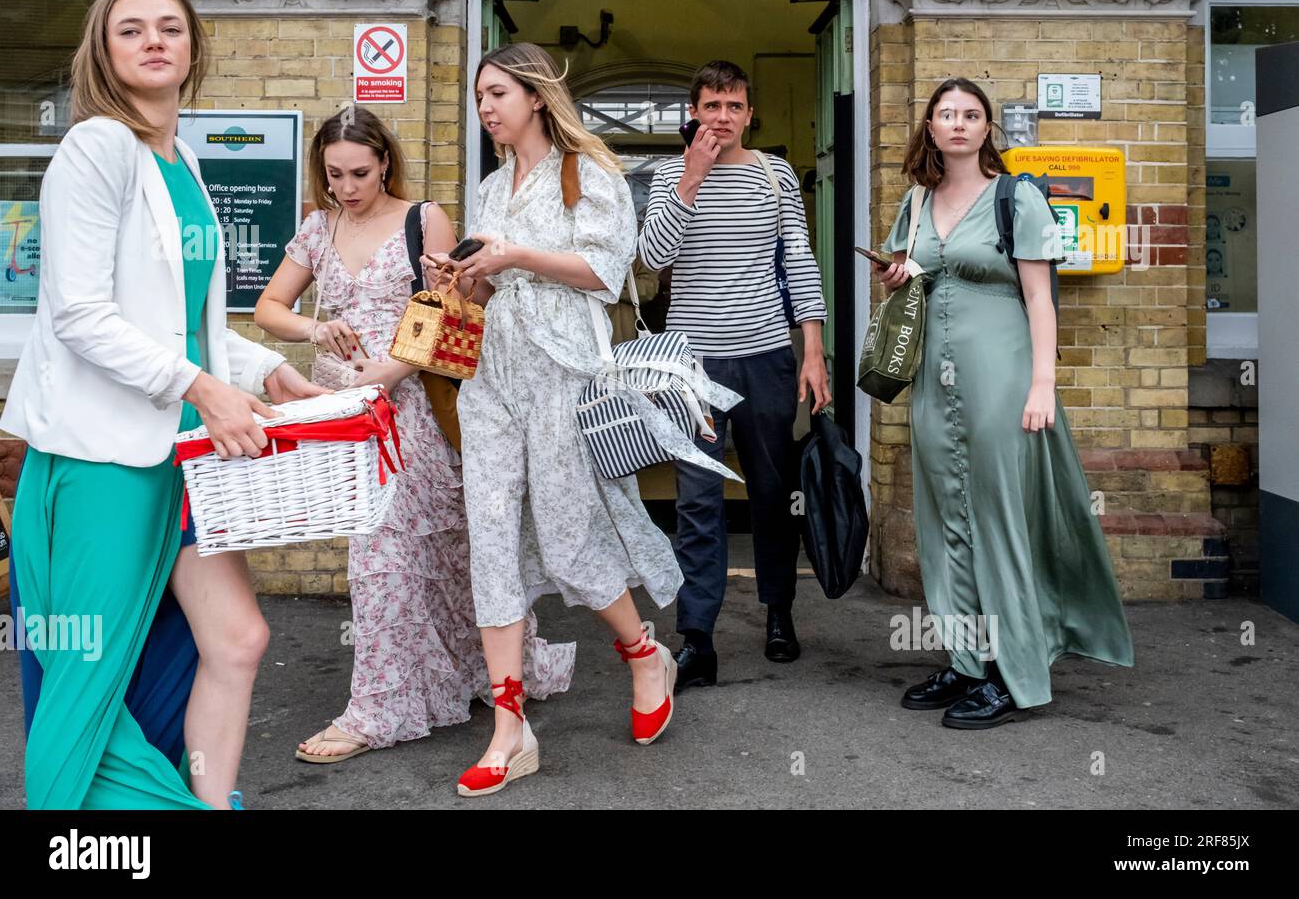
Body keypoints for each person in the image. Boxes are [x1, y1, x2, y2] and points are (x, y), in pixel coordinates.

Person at [1, 0, 324, 808]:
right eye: (130, 30)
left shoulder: (179, 160)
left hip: (178, 455)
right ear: (102, 53)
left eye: (169, 28)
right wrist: (201, 388)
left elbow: (187, 323)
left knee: (240, 639)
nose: (153, 41)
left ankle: (208, 801)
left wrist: (262, 372)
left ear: (192, 48)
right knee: (86, 678)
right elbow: (76, 312)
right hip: (105, 461)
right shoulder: (97, 148)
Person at [255, 106, 574, 763]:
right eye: (335, 174)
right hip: (351, 413)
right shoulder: (320, 227)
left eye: (360, 173)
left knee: (447, 553)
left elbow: (455, 306)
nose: (347, 186)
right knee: (379, 560)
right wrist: (318, 331)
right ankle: (383, 705)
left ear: (385, 163)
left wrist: (392, 368)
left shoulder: (422, 218)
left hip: (417, 411)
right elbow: (268, 308)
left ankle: (468, 678)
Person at [430, 43, 699, 797]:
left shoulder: (594, 177)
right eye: (480, 95)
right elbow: (488, 290)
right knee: (489, 539)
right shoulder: (488, 188)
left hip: (562, 374)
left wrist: (516, 253)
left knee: (568, 532)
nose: (486, 107)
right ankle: (509, 728)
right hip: (490, 376)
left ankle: (644, 653)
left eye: (497, 93)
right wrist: (462, 282)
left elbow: (605, 273)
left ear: (537, 97)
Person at [873, 77, 1134, 729]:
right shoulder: (915, 200)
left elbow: (1043, 300)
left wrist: (1043, 384)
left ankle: (1016, 674)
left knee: (999, 525)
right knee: (945, 524)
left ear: (988, 127)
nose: (957, 123)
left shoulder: (1017, 198)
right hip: (937, 381)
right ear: (930, 127)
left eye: (970, 114)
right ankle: (967, 663)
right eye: (945, 114)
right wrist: (895, 275)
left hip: (1004, 381)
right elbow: (909, 284)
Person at [637, 60, 830, 690]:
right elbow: (653, 258)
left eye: (734, 106)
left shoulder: (775, 176)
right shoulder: (669, 174)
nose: (722, 117)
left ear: (750, 114)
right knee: (698, 500)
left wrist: (813, 350)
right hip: (690, 367)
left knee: (773, 492)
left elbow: (799, 261)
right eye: (711, 106)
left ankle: (779, 612)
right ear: (693, 112)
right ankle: (698, 637)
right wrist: (690, 179)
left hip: (768, 356)